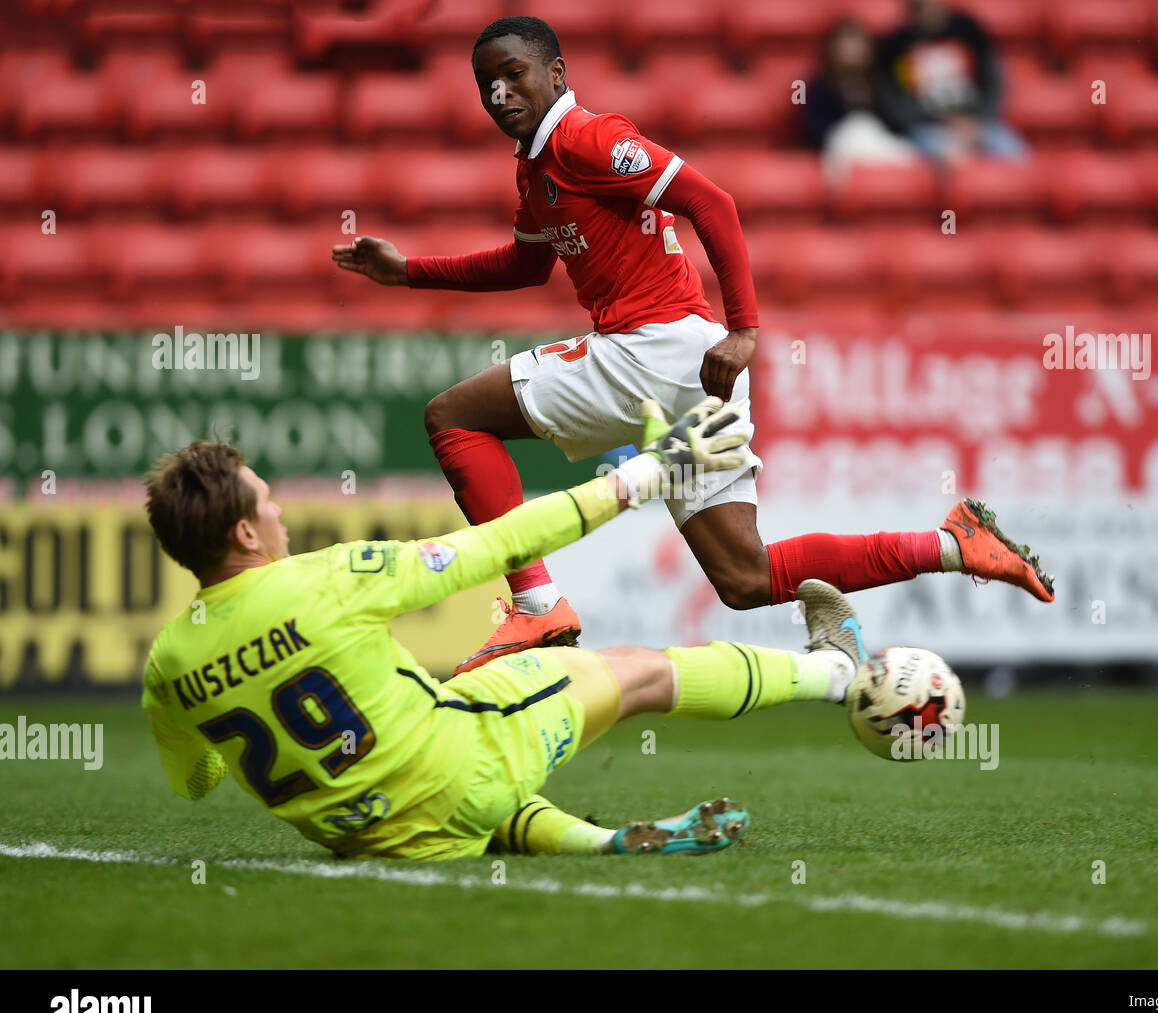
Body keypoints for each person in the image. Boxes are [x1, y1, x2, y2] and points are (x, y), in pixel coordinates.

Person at [333, 15, 1052, 677]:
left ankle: (535, 602)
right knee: (747, 579)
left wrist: (745, 327)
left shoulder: (586, 137)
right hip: (690, 370)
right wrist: (408, 273)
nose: (499, 90)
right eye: (486, 81)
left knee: (453, 417)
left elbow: (714, 202)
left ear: (555, 73)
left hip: (653, 350)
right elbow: (526, 265)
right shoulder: (538, 163)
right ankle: (957, 545)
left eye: (514, 72)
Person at [140, 398, 873, 860]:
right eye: (268, 504)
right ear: (243, 531)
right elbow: (504, 540)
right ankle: (838, 673)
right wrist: (649, 472)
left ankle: (598, 840)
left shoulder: (170, 660)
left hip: (371, 837)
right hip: (459, 765)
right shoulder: (326, 579)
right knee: (636, 670)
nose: (281, 514)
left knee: (456, 743)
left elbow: (197, 780)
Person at [873, 0, 1027, 163]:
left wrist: (978, 120)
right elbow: (896, 102)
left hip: (977, 122)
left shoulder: (967, 30)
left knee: (1014, 153)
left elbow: (993, 82)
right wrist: (941, 121)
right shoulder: (897, 45)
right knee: (952, 158)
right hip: (927, 127)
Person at [801, 17, 918, 164]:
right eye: (846, 44)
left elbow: (894, 119)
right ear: (833, 47)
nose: (852, 50)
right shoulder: (818, 83)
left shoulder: (879, 81)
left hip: (879, 140)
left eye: (857, 43)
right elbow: (813, 125)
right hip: (839, 143)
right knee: (857, 129)